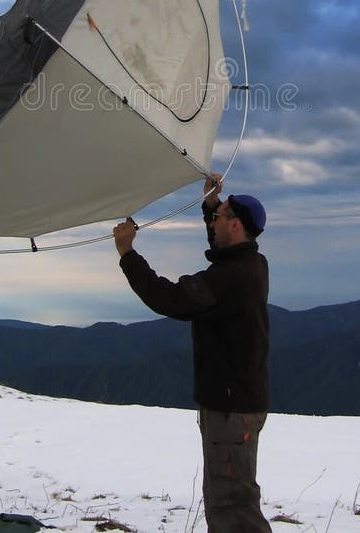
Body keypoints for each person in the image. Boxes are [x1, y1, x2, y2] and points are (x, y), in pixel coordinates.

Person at [113, 174, 271, 533]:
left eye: (220, 216)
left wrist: (127, 254)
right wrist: (211, 205)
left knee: (232, 506)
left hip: (231, 412)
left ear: (235, 224)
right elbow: (222, 250)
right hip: (239, 407)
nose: (214, 221)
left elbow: (168, 298)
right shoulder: (251, 264)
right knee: (229, 496)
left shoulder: (232, 277)